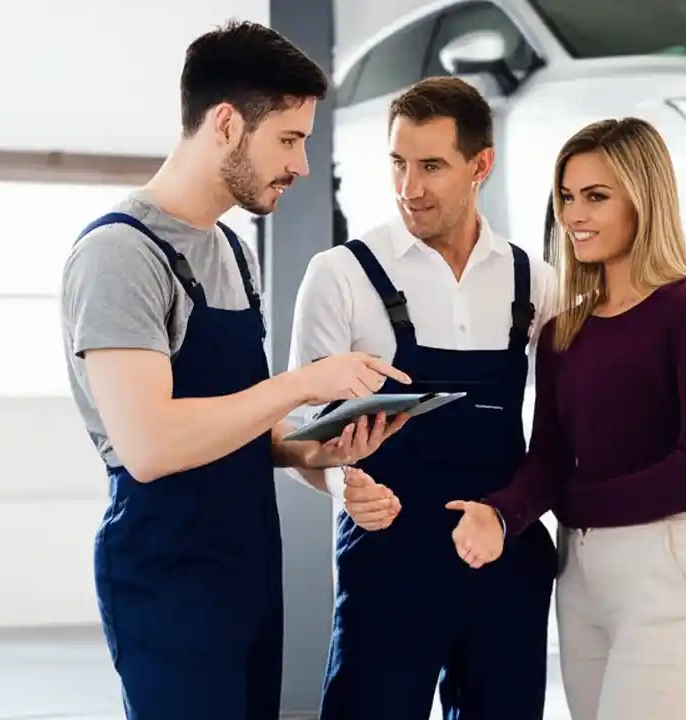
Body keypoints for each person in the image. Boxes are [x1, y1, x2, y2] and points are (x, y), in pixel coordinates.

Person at [59, 21, 409, 719]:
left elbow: (240, 427)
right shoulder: (121, 255)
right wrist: (307, 384)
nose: (303, 165)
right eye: (289, 139)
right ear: (224, 124)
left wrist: (324, 454)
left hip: (247, 568)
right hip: (167, 577)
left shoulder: (232, 252)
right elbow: (151, 445)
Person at [447, 117, 686, 720]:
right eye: (565, 197)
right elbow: (549, 458)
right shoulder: (563, 330)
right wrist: (501, 515)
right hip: (578, 574)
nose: (574, 214)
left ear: (643, 198)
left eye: (596, 196)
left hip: (667, 568)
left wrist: (576, 505)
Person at [287, 77, 560, 718]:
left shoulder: (535, 282)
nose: (410, 187)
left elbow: (558, 437)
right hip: (389, 565)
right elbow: (299, 438)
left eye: (431, 166)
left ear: (480, 166)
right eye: (398, 163)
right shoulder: (342, 276)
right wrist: (341, 487)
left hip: (502, 556)